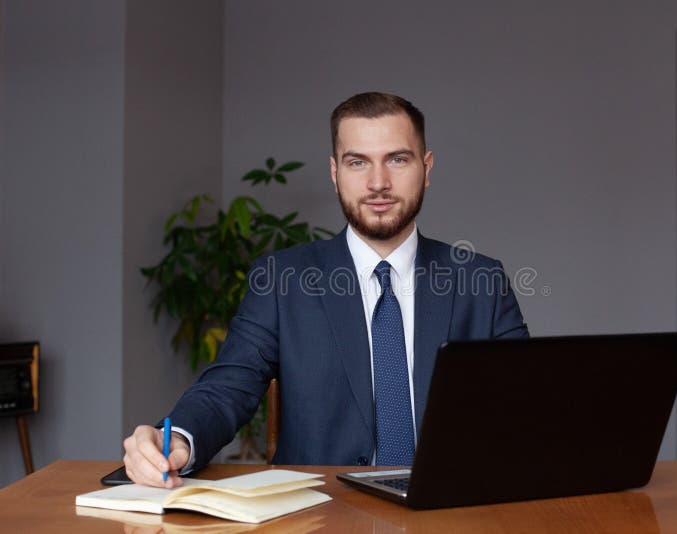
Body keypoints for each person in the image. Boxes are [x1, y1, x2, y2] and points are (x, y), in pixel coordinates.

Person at [123, 92, 529, 487]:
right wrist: (175, 439)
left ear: (427, 167)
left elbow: (529, 407)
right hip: (319, 513)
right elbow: (227, 386)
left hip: (449, 513)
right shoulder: (282, 279)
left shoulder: (483, 282)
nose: (378, 183)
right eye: (358, 162)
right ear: (335, 174)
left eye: (397, 159)